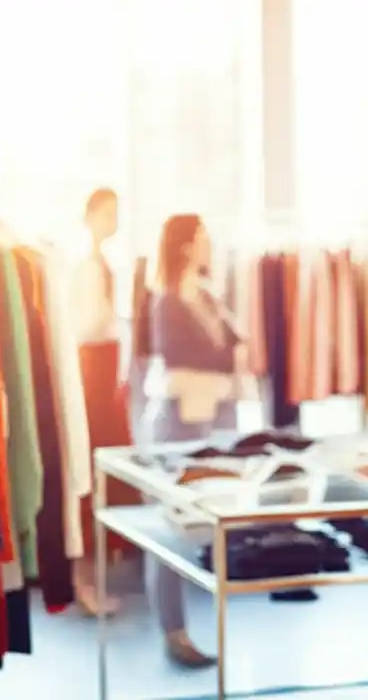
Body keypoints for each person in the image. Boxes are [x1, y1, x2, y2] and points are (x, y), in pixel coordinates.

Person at [142, 213, 244, 668]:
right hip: (177, 425)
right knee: (168, 527)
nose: (210, 245)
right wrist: (225, 358)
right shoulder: (167, 301)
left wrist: (225, 356)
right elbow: (194, 355)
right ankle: (173, 631)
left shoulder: (204, 297)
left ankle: (181, 630)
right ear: (185, 245)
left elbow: (234, 346)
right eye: (203, 238)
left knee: (196, 521)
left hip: (204, 422)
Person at [72, 187, 141, 617]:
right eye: (109, 213)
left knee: (107, 471)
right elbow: (87, 324)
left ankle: (93, 577)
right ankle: (84, 581)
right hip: (92, 373)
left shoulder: (100, 264)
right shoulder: (86, 267)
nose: (114, 222)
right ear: (92, 215)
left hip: (103, 373)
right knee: (91, 476)